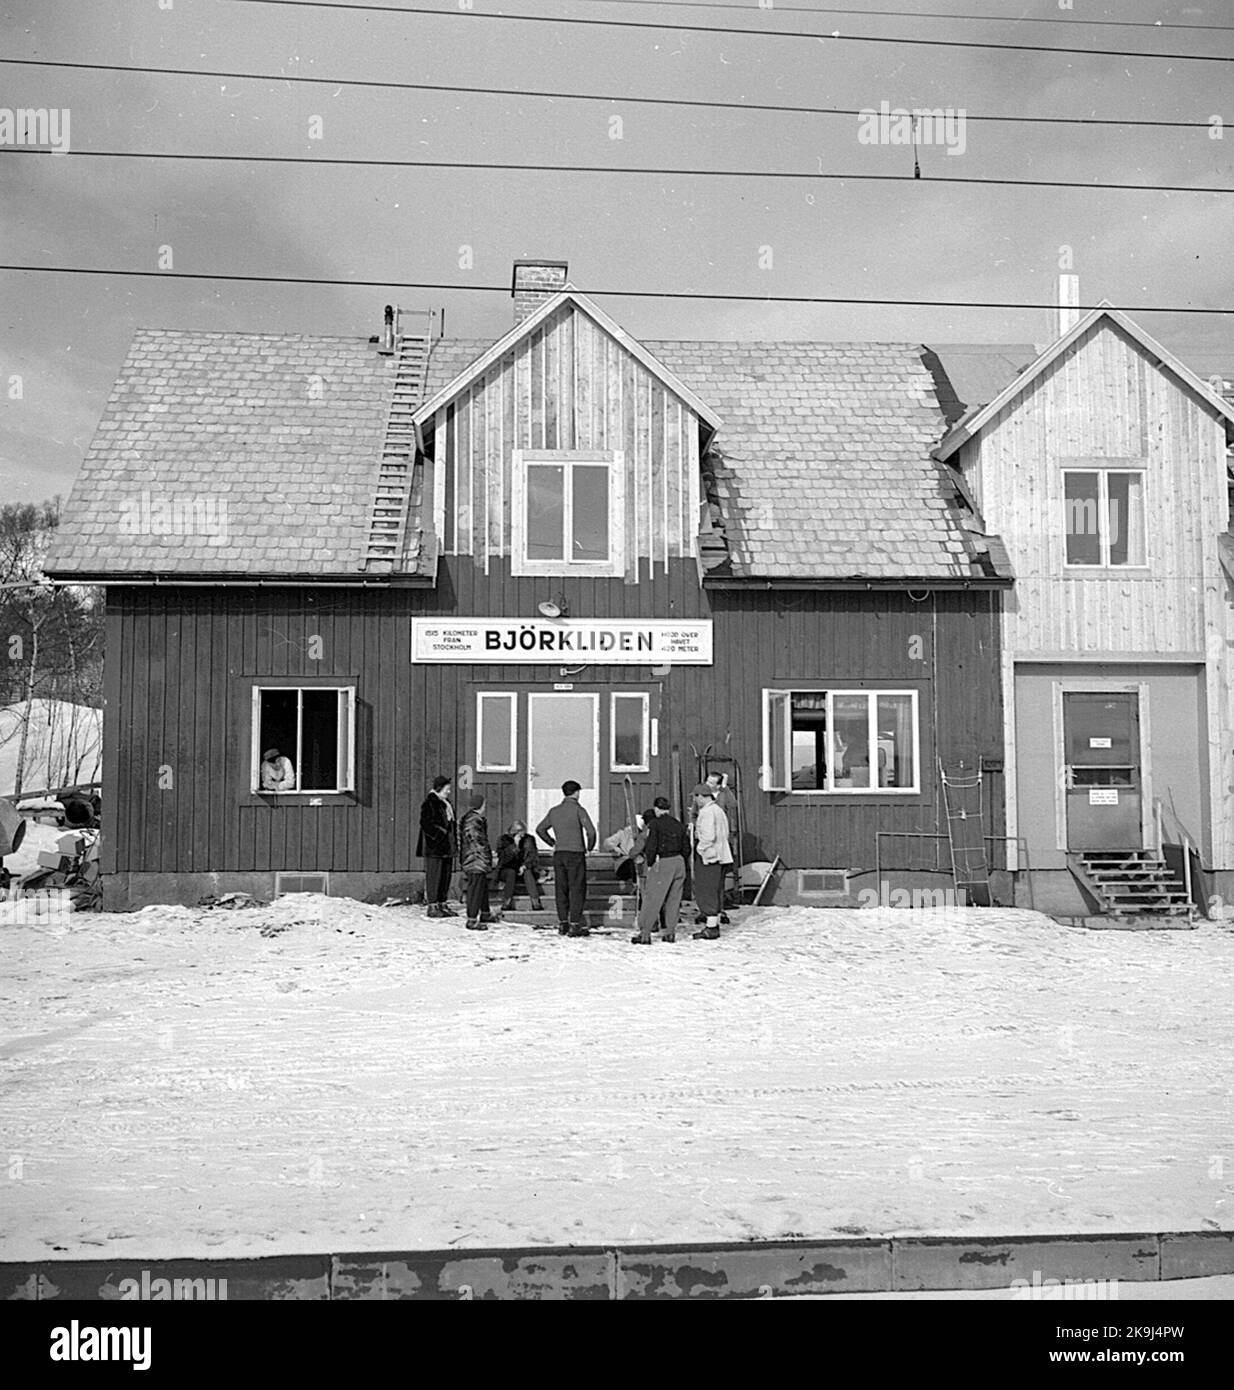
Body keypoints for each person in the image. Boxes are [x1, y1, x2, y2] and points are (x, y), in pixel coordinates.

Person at [535, 780, 597, 937]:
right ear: (576, 793)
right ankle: (575, 924)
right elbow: (591, 832)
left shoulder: (554, 811)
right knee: (577, 888)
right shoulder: (578, 810)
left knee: (561, 888)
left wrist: (552, 843)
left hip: (559, 853)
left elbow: (540, 829)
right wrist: (589, 848)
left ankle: (563, 923)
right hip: (576, 853)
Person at [631, 796, 688, 945]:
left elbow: (651, 846)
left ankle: (645, 934)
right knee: (674, 900)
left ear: (656, 809)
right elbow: (686, 848)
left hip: (663, 862)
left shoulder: (655, 824)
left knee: (653, 898)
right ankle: (670, 933)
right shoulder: (679, 824)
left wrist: (650, 863)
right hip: (679, 862)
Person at [691, 783, 733, 940]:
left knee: (706, 890)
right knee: (715, 890)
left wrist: (700, 848)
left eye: (696, 797)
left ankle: (711, 927)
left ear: (700, 796)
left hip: (709, 857)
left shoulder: (707, 812)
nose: (695, 801)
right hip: (722, 855)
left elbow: (708, 836)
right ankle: (712, 923)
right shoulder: (719, 810)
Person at [416, 775, 457, 918]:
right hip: (435, 848)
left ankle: (442, 903)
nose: (449, 792)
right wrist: (442, 835)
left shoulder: (445, 803)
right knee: (435, 876)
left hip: (446, 847)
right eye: (447, 789)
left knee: (445, 875)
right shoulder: (430, 803)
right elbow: (427, 824)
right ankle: (432, 906)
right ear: (439, 788)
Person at [459, 791, 499, 931]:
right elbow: (476, 841)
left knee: (481, 886)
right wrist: (487, 856)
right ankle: (471, 919)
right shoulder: (474, 820)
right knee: (476, 888)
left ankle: (485, 913)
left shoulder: (471, 818)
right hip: (475, 858)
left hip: (474, 857)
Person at [496, 820, 543, 912]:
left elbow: (533, 856)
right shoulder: (503, 840)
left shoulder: (529, 839)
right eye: (519, 832)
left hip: (524, 868)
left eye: (522, 832)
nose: (521, 835)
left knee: (528, 872)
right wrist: (515, 846)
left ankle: (535, 902)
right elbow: (503, 859)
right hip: (508, 869)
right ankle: (507, 902)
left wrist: (525, 865)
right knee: (511, 873)